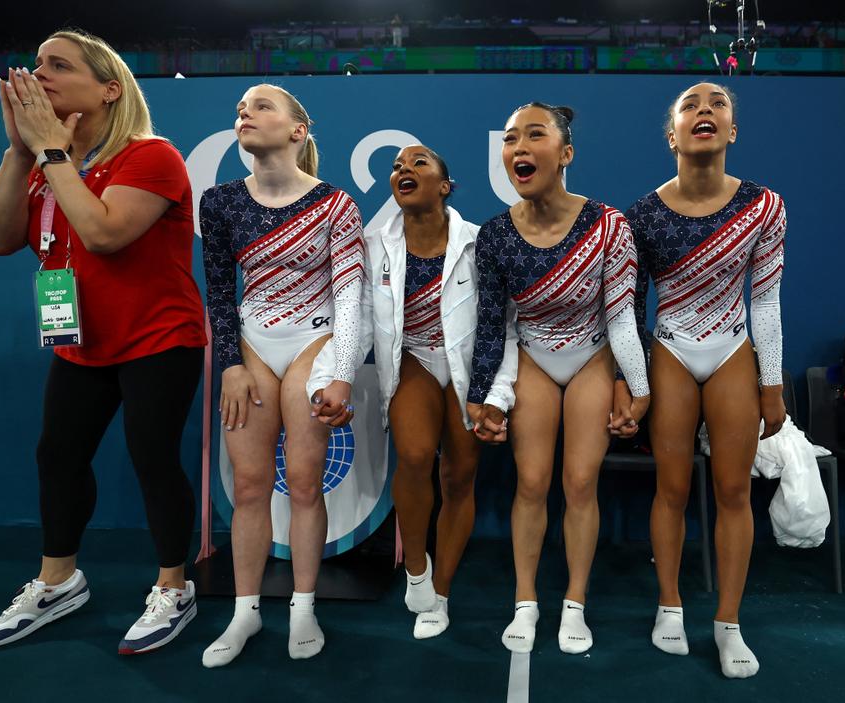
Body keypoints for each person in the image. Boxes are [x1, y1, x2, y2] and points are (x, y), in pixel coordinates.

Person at [0, 29, 207, 654]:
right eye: (37, 64)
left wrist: (50, 153)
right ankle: (59, 582)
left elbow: (104, 234)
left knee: (152, 457)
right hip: (82, 341)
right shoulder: (44, 163)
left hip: (159, 338)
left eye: (59, 65)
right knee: (58, 455)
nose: (39, 75)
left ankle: (174, 587)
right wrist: (19, 153)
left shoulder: (151, 156)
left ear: (109, 89)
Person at [309, 144, 516, 639]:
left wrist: (498, 393)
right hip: (414, 361)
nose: (404, 169)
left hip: (471, 369)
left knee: (460, 476)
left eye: (419, 163)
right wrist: (329, 378)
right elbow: (355, 321)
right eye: (397, 165)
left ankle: (440, 595)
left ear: (445, 186)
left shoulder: (480, 242)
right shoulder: (371, 244)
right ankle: (418, 569)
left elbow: (503, 327)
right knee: (417, 455)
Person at [468, 102, 650, 655]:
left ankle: (575, 602)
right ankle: (525, 601)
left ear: (566, 153)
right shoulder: (496, 235)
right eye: (510, 139)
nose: (519, 147)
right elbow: (492, 325)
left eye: (534, 135)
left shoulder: (609, 225)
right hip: (534, 357)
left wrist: (635, 386)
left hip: (592, 355)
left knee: (579, 483)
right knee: (530, 481)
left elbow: (624, 316)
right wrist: (482, 396)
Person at [619, 82, 786, 679]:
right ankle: (670, 604)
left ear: (732, 130)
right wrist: (632, 383)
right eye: (690, 105)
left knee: (734, 491)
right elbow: (628, 309)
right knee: (672, 488)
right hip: (670, 348)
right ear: (672, 135)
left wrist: (772, 382)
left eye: (717, 104)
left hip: (732, 349)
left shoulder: (764, 206)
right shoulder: (641, 215)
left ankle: (728, 622)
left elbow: (765, 300)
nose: (704, 110)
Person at [198, 83, 365, 666]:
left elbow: (350, 296)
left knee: (302, 482)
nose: (245, 112)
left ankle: (303, 607)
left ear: (299, 130)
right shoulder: (220, 201)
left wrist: (341, 372)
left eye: (261, 105)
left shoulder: (335, 204)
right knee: (249, 486)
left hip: (312, 343)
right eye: (241, 108)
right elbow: (219, 292)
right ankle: (244, 612)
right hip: (253, 344)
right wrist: (230, 365)